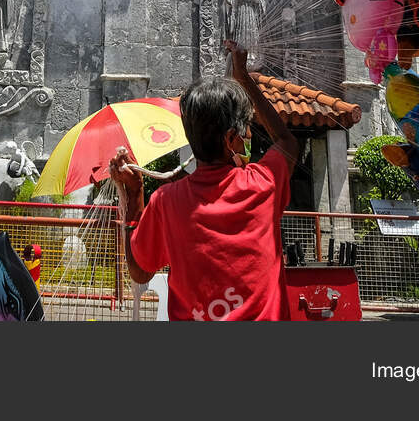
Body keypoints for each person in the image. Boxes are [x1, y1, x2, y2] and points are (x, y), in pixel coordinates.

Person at [110, 39, 300, 321]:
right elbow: (286, 141)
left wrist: (134, 193)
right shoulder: (262, 185)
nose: (247, 137)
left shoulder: (167, 201)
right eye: (243, 131)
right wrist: (244, 78)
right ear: (230, 139)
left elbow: (140, 271)